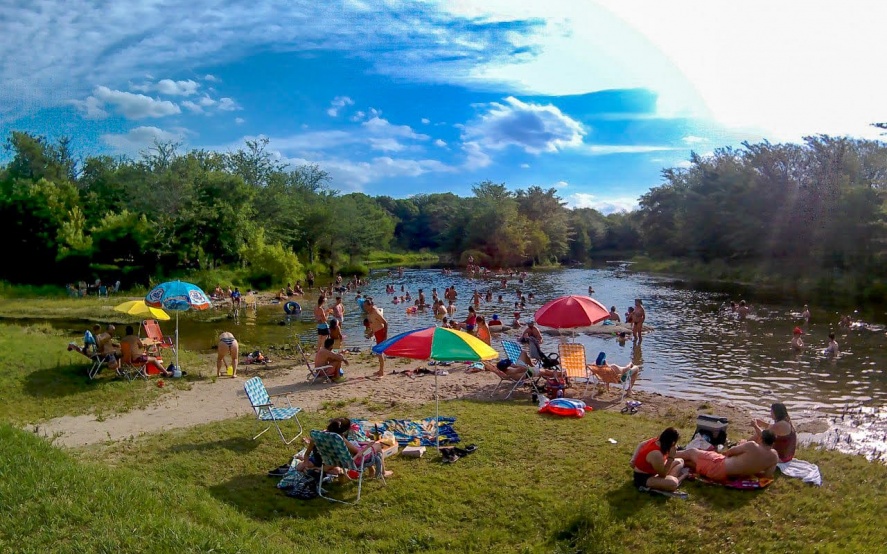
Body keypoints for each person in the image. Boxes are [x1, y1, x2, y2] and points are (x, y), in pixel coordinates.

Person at [297, 417, 393, 478]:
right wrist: (369, 445)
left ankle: (372, 471)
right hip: (350, 462)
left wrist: (305, 462)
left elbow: (308, 452)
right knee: (377, 446)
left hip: (331, 461)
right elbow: (358, 452)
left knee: (363, 445)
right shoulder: (341, 440)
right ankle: (382, 473)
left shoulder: (318, 436)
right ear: (344, 430)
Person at [677, 430, 779, 481]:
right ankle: (677, 462)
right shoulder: (774, 456)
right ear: (772, 443)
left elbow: (730, 452)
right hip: (732, 477)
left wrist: (741, 445)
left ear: (760, 439)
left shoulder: (752, 445)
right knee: (689, 463)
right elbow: (767, 475)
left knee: (692, 452)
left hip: (718, 467)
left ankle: (666, 454)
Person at [629, 427, 687, 492]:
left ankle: (667, 481)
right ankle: (680, 478)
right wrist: (671, 457)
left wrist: (633, 459)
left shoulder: (657, 440)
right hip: (644, 478)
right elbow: (662, 475)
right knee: (673, 483)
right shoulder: (656, 454)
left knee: (680, 461)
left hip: (655, 471)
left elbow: (641, 444)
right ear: (673, 442)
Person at [363, 298, 388, 378]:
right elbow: (374, 324)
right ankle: (380, 370)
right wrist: (371, 333)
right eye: (364, 306)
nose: (364, 308)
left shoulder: (375, 312)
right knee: (379, 353)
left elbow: (385, 323)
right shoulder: (369, 312)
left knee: (379, 353)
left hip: (381, 333)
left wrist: (385, 336)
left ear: (370, 305)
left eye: (366, 306)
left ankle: (382, 372)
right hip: (376, 333)